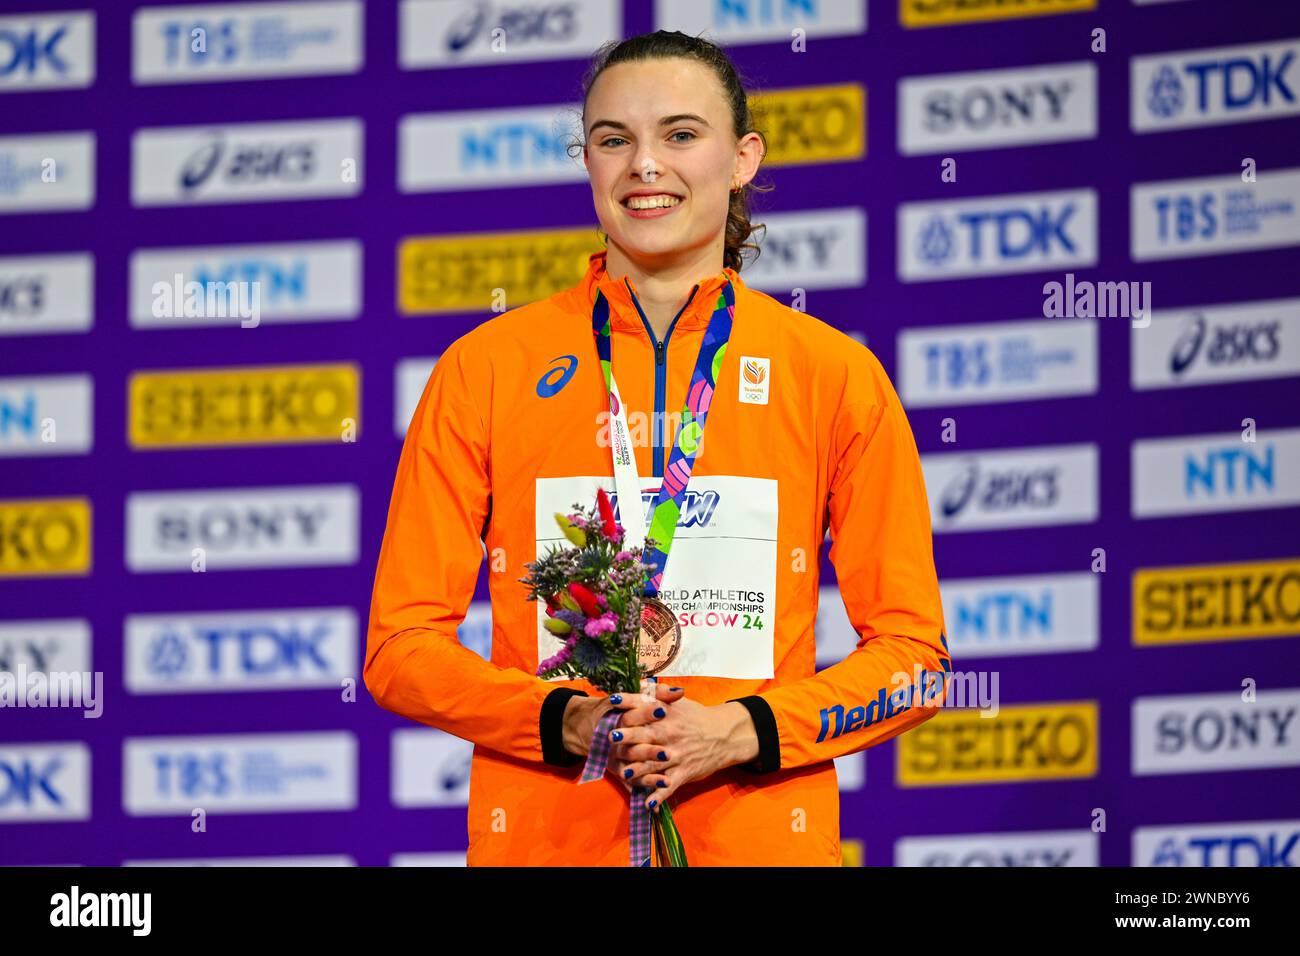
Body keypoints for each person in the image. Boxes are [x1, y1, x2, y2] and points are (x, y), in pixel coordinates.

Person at [365, 30, 951, 867]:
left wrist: (743, 731)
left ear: (743, 157)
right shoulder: (486, 370)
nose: (645, 165)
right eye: (614, 139)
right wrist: (562, 719)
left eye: (680, 134)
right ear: (588, 161)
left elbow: (915, 663)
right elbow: (399, 649)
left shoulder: (832, 374)